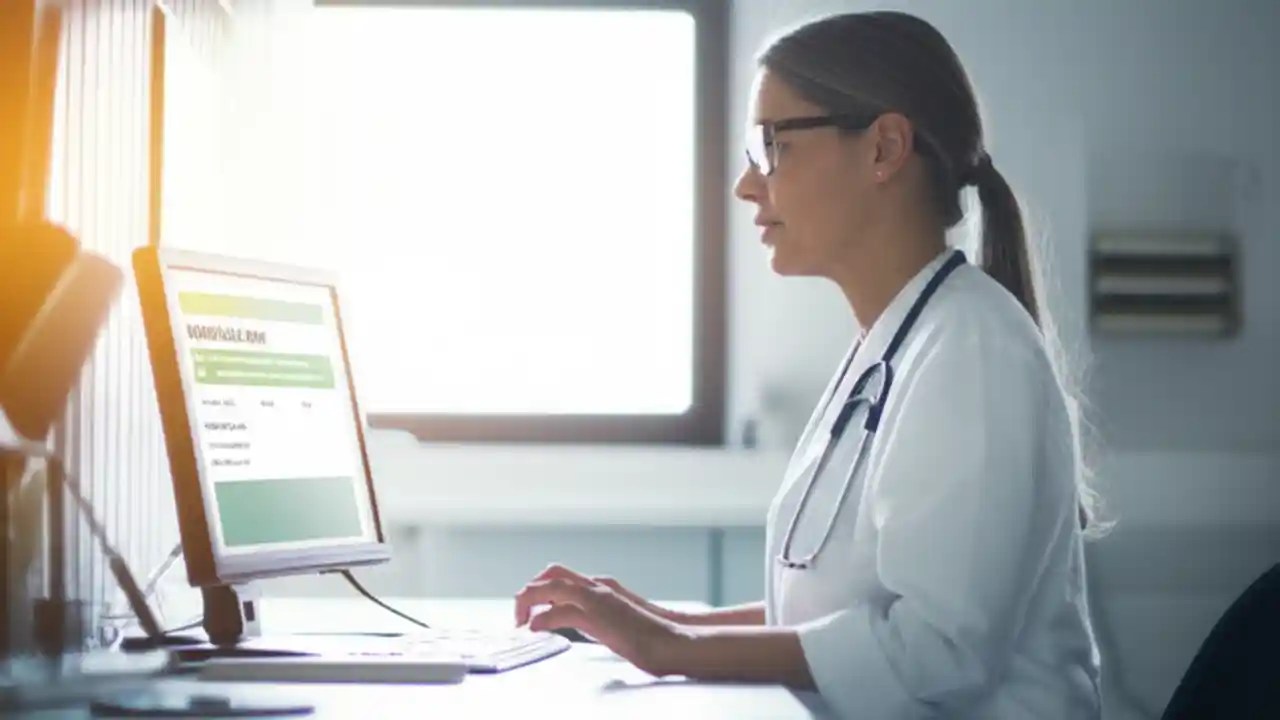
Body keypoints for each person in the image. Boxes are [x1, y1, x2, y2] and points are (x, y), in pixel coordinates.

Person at [514, 10, 1103, 718]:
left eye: (771, 146)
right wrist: (654, 623)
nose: (746, 185)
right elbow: (836, 617)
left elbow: (938, 653)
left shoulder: (973, 348)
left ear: (884, 148)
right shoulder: (897, 341)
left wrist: (674, 647)